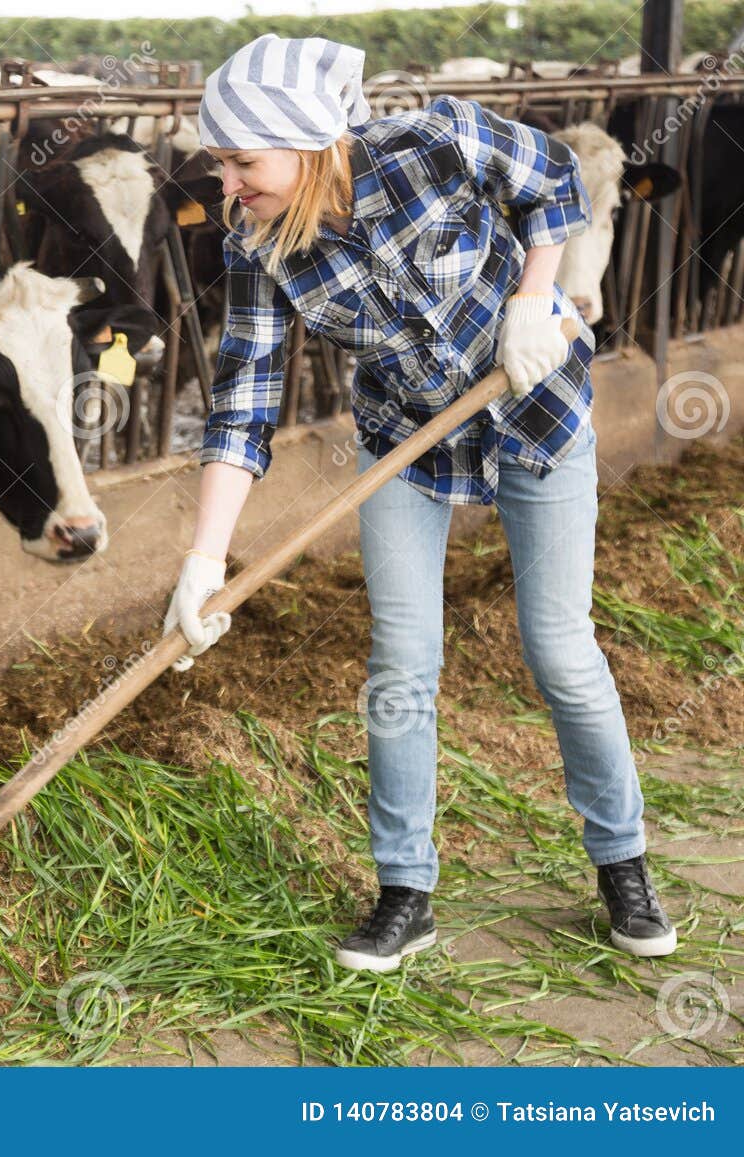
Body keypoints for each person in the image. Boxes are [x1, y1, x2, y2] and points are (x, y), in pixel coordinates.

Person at [163, 33, 675, 971]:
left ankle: (624, 861)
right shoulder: (257, 245)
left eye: (242, 161)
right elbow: (242, 404)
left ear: (310, 142)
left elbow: (554, 180)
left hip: (535, 410)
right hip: (404, 441)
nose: (227, 184)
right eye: (222, 163)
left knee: (558, 647)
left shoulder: (432, 143)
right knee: (403, 659)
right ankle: (406, 890)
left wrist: (535, 294)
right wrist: (205, 561)